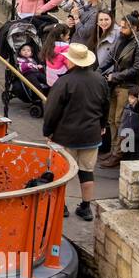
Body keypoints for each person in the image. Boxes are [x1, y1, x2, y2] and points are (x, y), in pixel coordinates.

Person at [42, 42, 108, 221]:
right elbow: (105, 106)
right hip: (91, 134)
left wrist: (47, 131)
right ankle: (86, 207)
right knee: (87, 171)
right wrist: (102, 125)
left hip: (66, 136)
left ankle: (61, 206)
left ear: (71, 61)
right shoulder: (100, 80)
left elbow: (52, 110)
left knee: (62, 171)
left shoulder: (64, 82)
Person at [99, 11, 139, 168]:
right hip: (115, 83)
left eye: (124, 28)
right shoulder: (122, 38)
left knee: (121, 120)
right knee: (111, 119)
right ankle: (113, 150)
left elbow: (136, 69)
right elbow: (111, 57)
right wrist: (98, 70)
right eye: (121, 27)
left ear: (134, 28)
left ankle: (118, 154)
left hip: (128, 86)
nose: (121, 30)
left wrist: (114, 76)